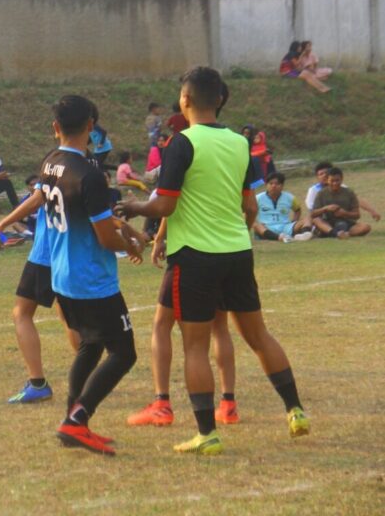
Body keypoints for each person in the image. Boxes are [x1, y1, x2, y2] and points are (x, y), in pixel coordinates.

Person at [119, 66, 310, 456]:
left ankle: (206, 433)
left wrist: (133, 204)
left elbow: (165, 202)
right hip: (237, 253)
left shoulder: (182, 144)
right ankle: (295, 410)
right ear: (219, 99)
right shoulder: (241, 144)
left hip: (195, 257)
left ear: (185, 100)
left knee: (194, 345)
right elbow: (249, 205)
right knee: (259, 336)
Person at [43, 95, 144, 456]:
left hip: (63, 276)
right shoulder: (89, 174)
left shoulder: (50, 163)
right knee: (124, 353)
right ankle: (77, 419)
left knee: (91, 345)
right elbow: (103, 236)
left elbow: (83, 215)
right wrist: (129, 244)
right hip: (91, 280)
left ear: (56, 127)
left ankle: (73, 420)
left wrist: (119, 227)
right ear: (91, 127)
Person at [126, 217, 242, 428]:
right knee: (220, 327)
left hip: (192, 253)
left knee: (162, 325)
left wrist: (159, 237)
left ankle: (161, 404)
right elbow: (249, 207)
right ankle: (228, 404)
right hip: (226, 250)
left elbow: (170, 204)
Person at [0, 177, 81, 405]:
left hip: (46, 253)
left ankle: (37, 384)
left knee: (22, 313)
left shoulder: (55, 163)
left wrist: (2, 223)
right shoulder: (87, 165)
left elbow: (37, 199)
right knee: (67, 314)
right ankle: (87, 376)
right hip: (71, 253)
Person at [305, 161, 382, 224]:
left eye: (326, 172)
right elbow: (313, 211)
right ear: (317, 177)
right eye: (321, 174)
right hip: (323, 220)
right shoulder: (313, 190)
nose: (324, 175)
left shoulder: (342, 187)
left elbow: (357, 199)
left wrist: (372, 211)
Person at [310, 167, 372, 238]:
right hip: (328, 223)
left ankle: (345, 234)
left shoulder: (349, 193)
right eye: (332, 181)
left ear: (342, 179)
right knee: (316, 220)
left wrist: (344, 213)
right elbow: (313, 214)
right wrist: (325, 209)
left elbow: (357, 215)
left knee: (366, 227)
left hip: (347, 223)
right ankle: (335, 233)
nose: (335, 183)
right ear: (327, 180)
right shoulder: (321, 193)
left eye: (337, 180)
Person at [253, 172, 312, 242]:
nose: (273, 186)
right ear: (266, 185)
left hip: (285, 227)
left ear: (282, 186)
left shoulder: (290, 197)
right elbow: (249, 211)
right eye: (271, 183)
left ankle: (305, 235)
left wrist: (294, 221)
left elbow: (297, 210)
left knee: (307, 219)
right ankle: (280, 238)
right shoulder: (258, 198)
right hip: (267, 227)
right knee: (256, 225)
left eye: (277, 184)